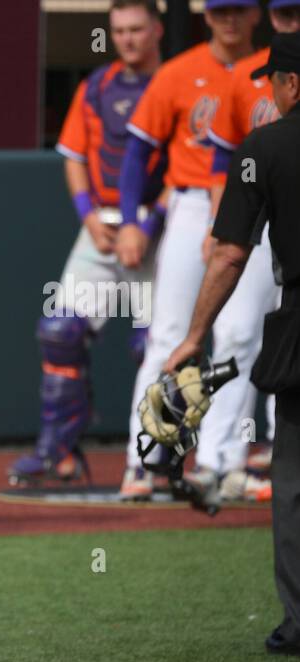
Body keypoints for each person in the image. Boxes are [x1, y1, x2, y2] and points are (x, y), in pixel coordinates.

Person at [164, 31, 300, 654]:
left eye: (275, 79)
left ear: (290, 84)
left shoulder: (265, 146)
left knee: (294, 478)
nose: (270, 89)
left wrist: (193, 337)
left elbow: (227, 254)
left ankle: (299, 622)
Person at [8, 0, 166, 488]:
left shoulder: (177, 81)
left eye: (137, 29)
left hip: (162, 226)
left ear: (158, 29)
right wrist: (89, 217)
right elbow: (74, 156)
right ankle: (59, 451)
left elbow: (188, 167)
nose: (128, 39)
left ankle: (164, 458)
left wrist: (149, 222)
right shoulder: (96, 85)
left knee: (156, 346)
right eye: (119, 31)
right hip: (102, 225)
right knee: (60, 331)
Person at [116, 0, 260, 500]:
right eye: (221, 11)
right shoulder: (180, 72)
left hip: (257, 202)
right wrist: (131, 220)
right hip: (194, 200)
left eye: (239, 10)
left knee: (240, 335)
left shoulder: (274, 71)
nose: (230, 19)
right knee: (170, 334)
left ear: (254, 15)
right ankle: (144, 459)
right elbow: (138, 151)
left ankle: (222, 465)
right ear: (208, 17)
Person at [195, 0, 300, 497]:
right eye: (282, 11)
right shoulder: (245, 78)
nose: (289, 18)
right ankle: (220, 459)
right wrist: (221, 224)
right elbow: (221, 156)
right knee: (238, 333)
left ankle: (278, 458)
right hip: (260, 226)